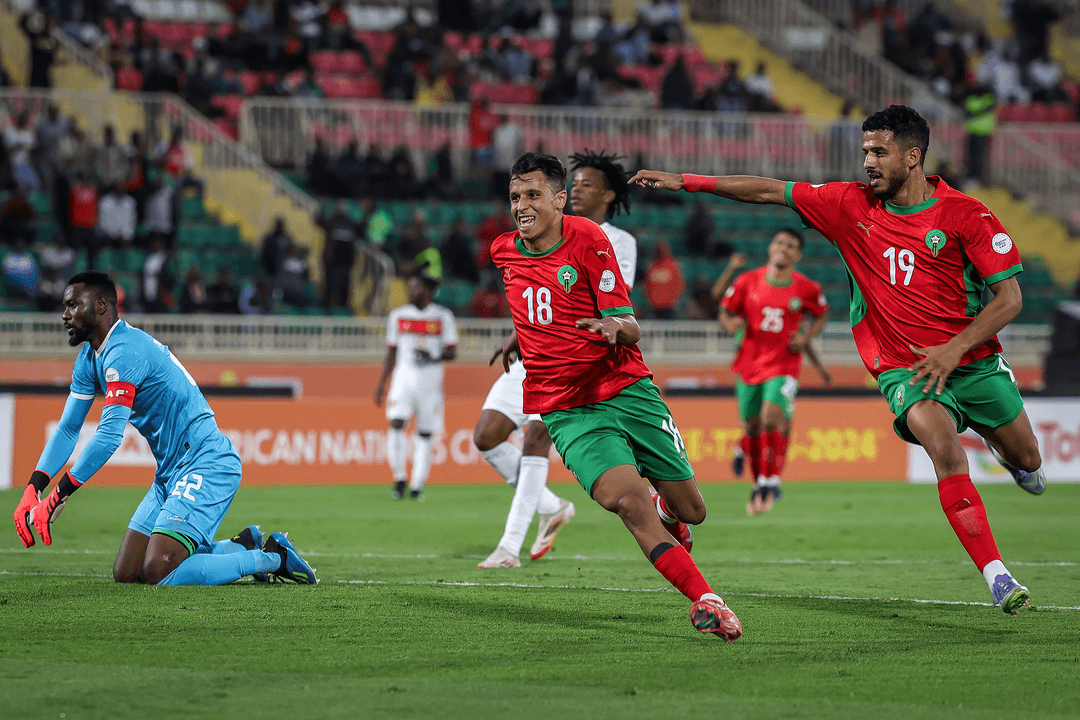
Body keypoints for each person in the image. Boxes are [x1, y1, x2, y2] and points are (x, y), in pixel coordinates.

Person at [631, 104, 1047, 615]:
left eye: (880, 151)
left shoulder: (966, 215)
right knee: (944, 450)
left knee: (1027, 458)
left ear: (913, 157)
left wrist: (954, 348)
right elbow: (768, 189)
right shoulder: (847, 205)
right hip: (903, 367)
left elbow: (1010, 299)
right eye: (865, 150)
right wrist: (683, 181)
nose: (868, 161)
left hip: (972, 362)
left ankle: (1013, 458)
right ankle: (997, 576)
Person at [489, 152, 742, 640]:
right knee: (627, 504)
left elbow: (630, 324)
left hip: (627, 389)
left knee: (691, 512)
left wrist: (613, 327)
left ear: (560, 201)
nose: (521, 205)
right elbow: (537, 309)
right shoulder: (504, 250)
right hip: (568, 408)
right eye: (516, 197)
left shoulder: (589, 238)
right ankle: (707, 600)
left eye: (533, 195)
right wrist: (520, 338)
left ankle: (670, 509)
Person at [12, 271, 317, 586]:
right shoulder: (90, 359)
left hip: (206, 462)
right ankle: (241, 546)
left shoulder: (124, 352)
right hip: (170, 473)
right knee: (127, 573)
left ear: (101, 305)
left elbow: (108, 437)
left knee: (160, 570)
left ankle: (272, 557)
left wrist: (59, 494)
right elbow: (67, 430)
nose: (65, 315)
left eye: (73, 305)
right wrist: (33, 489)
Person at [473, 150, 639, 569]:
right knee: (486, 436)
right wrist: (518, 334)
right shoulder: (533, 236)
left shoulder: (616, 242)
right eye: (576, 181)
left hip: (577, 362)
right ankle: (551, 507)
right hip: (534, 352)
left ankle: (508, 548)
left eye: (587, 184)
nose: (580, 188)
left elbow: (606, 305)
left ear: (608, 194)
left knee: (534, 439)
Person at [716, 229, 829, 514]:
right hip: (749, 364)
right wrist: (729, 323)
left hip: (784, 364)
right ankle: (759, 482)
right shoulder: (747, 280)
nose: (784, 248)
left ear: (798, 255)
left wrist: (806, 338)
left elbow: (822, 314)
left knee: (772, 419)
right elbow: (726, 309)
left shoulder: (807, 288)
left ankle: (770, 481)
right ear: (770, 247)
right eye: (780, 242)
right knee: (753, 427)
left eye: (791, 245)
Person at [374, 271, 458, 501]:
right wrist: (382, 383)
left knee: (425, 432)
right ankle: (399, 478)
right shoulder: (398, 316)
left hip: (431, 383)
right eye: (410, 287)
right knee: (397, 422)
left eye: (416, 287)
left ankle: (417, 484)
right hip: (403, 379)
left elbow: (452, 351)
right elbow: (391, 352)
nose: (411, 291)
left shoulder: (442, 316)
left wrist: (432, 354)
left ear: (427, 292)